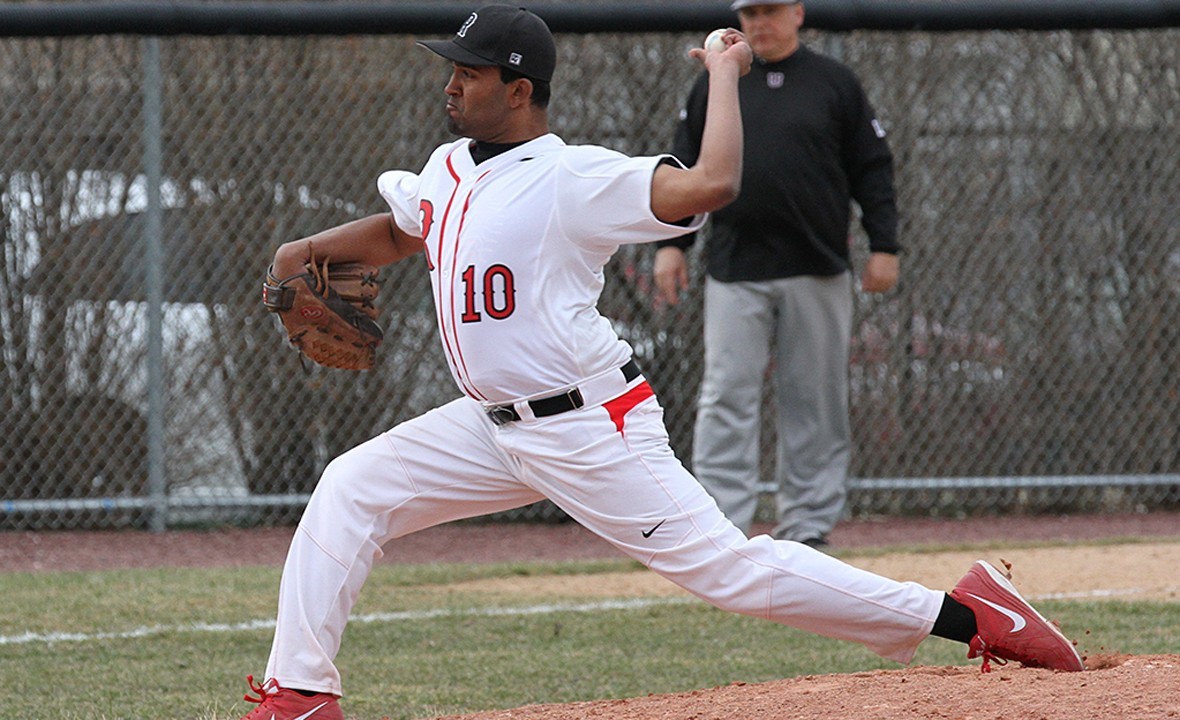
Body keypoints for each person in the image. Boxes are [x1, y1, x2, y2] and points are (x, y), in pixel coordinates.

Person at [239, 6, 1083, 719]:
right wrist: (301, 248)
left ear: (520, 89)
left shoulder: (573, 178)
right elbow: (400, 230)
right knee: (351, 487)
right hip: (490, 424)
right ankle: (301, 694)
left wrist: (724, 72)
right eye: (451, 68)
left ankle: (972, 615)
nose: (451, 83)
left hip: (588, 423)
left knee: (731, 571)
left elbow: (712, 183)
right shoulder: (450, 168)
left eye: (470, 71)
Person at [654, 0, 900, 548]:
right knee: (725, 396)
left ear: (797, 12)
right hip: (735, 268)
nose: (758, 23)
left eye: (770, 10)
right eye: (750, 13)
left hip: (816, 267)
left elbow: (872, 167)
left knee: (813, 398)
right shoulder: (718, 84)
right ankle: (720, 527)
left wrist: (885, 244)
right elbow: (684, 164)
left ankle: (808, 525)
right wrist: (672, 244)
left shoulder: (833, 82)